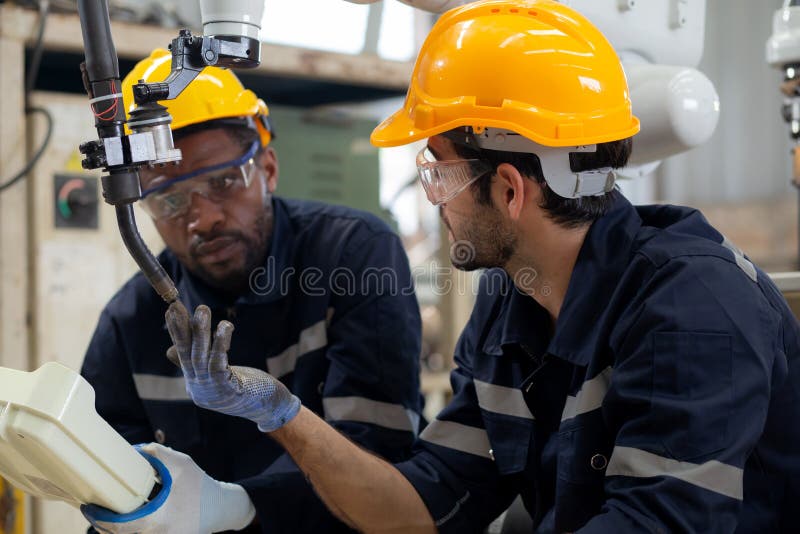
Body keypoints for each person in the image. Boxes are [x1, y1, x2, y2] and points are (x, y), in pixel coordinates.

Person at [87, 2, 800, 533]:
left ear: (511, 190)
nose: (433, 200)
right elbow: (424, 505)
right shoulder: (509, 309)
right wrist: (280, 415)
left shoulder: (692, 305)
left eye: (437, 175)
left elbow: (655, 525)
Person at [79, 49, 424, 533]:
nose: (203, 218)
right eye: (169, 199)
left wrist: (238, 505)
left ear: (268, 168)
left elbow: (378, 456)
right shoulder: (130, 320)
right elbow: (107, 480)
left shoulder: (353, 256)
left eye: (223, 181)